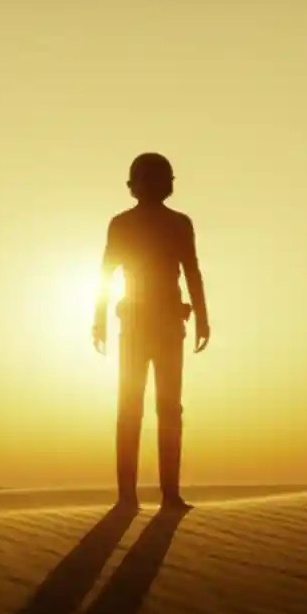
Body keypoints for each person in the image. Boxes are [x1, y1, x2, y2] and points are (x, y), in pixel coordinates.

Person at [92, 152, 210, 511]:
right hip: (137, 324)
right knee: (133, 409)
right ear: (136, 185)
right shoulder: (122, 224)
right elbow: (106, 273)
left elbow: (191, 271)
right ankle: (128, 496)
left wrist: (202, 317)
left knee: (167, 409)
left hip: (167, 324)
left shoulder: (179, 223)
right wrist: (98, 320)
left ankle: (167, 495)